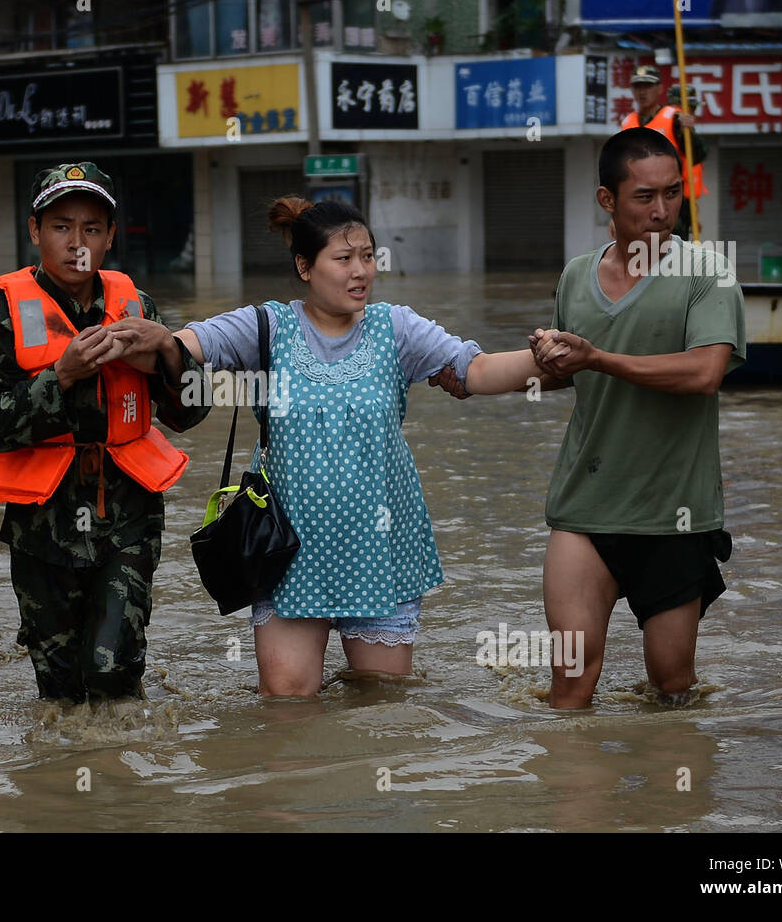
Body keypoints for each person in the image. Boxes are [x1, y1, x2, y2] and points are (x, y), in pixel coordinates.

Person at [173, 196, 566, 697]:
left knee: (382, 709)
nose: (361, 271)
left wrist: (543, 359)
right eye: (344, 259)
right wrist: (136, 339)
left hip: (379, 547)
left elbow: (477, 369)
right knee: (287, 708)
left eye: (368, 256)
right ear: (304, 267)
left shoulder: (394, 328)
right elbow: (186, 345)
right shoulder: (265, 328)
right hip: (289, 551)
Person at [0, 163, 209, 704]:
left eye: (92, 229)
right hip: (41, 529)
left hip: (127, 518)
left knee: (112, 671)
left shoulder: (138, 307)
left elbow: (190, 413)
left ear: (111, 236)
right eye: (62, 226)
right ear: (34, 231)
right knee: (60, 690)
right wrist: (62, 377)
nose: (78, 243)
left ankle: (127, 781)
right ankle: (69, 783)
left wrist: (168, 350)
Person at [530, 128, 746, 709]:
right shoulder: (576, 275)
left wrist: (596, 356)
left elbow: (704, 373)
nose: (661, 211)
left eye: (672, 195)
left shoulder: (709, 274)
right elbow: (564, 372)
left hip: (674, 512)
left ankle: (667, 798)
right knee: (570, 684)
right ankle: (575, 795)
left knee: (671, 686)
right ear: (608, 201)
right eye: (644, 197)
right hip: (585, 506)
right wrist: (465, 373)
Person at [620, 64, 707, 240]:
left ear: (659, 88)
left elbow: (698, 155)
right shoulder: (627, 123)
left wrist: (689, 132)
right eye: (637, 86)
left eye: (647, 86)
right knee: (641, 258)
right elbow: (620, 171)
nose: (642, 92)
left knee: (670, 257)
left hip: (670, 201)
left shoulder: (674, 119)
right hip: (638, 201)